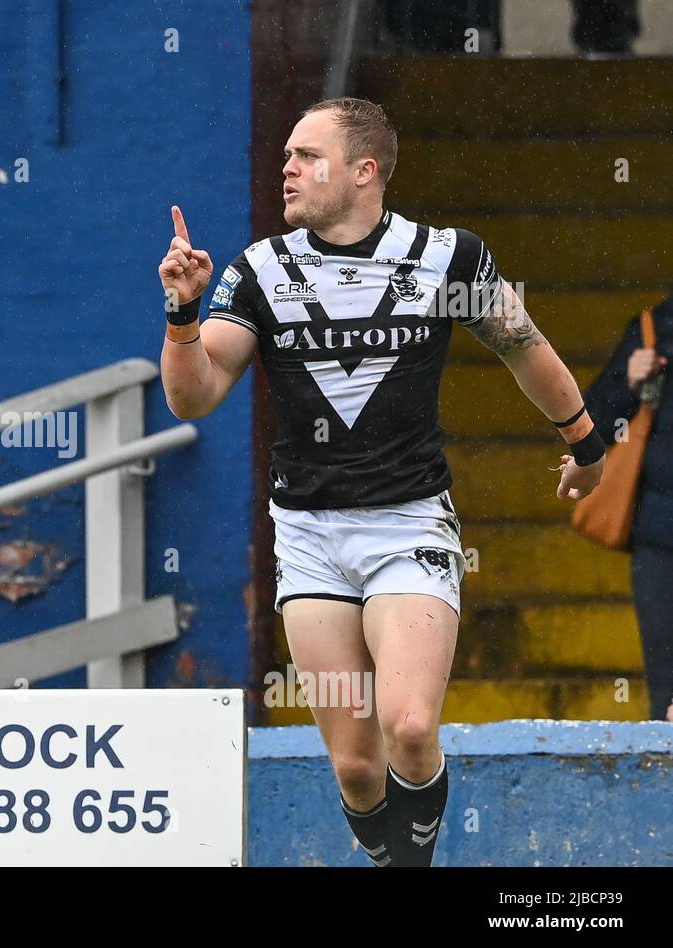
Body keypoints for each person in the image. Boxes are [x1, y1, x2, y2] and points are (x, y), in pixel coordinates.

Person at [158, 97, 605, 866]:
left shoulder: (446, 257)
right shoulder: (259, 269)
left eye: (307, 155)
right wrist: (183, 313)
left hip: (409, 527)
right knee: (358, 766)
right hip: (308, 535)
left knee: (406, 725)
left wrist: (586, 440)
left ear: (366, 171)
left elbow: (523, 347)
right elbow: (192, 395)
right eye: (286, 156)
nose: (287, 168)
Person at [585, 298, 672, 720]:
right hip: (660, 538)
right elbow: (592, 423)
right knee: (667, 691)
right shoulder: (654, 328)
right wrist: (630, 382)